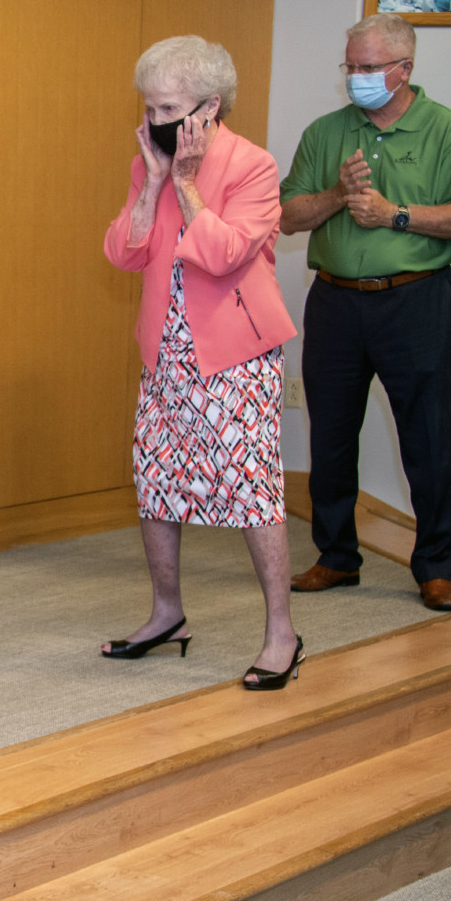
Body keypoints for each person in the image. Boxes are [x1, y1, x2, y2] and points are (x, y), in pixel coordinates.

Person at [99, 37, 301, 690]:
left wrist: (185, 184)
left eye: (170, 108)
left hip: (236, 352)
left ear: (209, 107)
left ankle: (282, 633)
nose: (156, 120)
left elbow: (222, 254)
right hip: (166, 350)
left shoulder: (253, 166)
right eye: (149, 107)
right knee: (157, 481)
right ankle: (167, 614)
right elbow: (124, 253)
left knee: (251, 489)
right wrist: (155, 182)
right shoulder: (150, 166)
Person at [280, 15, 451, 612]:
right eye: (350, 66)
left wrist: (394, 213)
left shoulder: (448, 131)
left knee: (428, 437)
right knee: (331, 434)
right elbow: (288, 216)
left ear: (404, 69)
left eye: (369, 67)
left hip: (415, 300)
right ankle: (336, 557)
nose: (357, 77)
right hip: (335, 301)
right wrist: (338, 195)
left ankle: (437, 569)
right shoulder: (325, 133)